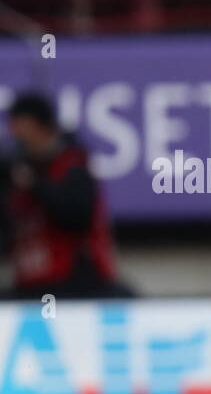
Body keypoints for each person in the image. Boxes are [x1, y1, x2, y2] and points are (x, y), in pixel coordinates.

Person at [0, 92, 130, 299]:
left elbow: (76, 216)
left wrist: (35, 185)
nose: (15, 135)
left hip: (76, 284)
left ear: (40, 127)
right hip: (29, 286)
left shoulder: (71, 165)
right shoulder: (14, 173)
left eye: (20, 127)